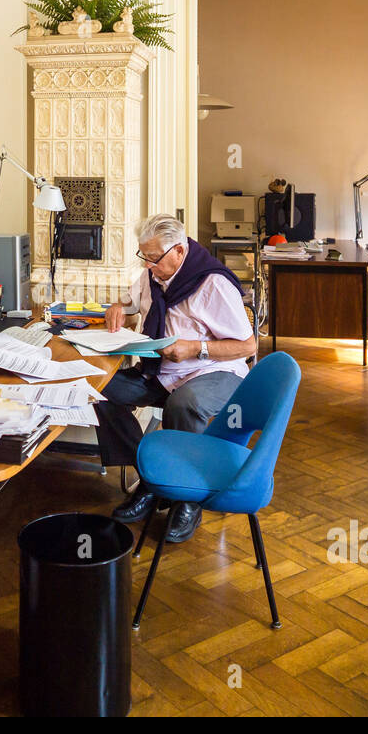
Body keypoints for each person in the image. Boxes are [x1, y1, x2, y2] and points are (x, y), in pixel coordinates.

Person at [95, 214, 257, 542]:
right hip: (161, 370)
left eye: (154, 258)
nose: (149, 266)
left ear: (179, 252)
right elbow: (129, 302)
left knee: (185, 404)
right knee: (102, 390)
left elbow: (248, 345)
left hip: (213, 370)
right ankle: (152, 481)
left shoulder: (213, 284)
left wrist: (196, 348)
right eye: (144, 257)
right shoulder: (151, 276)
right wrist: (116, 306)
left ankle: (188, 499)